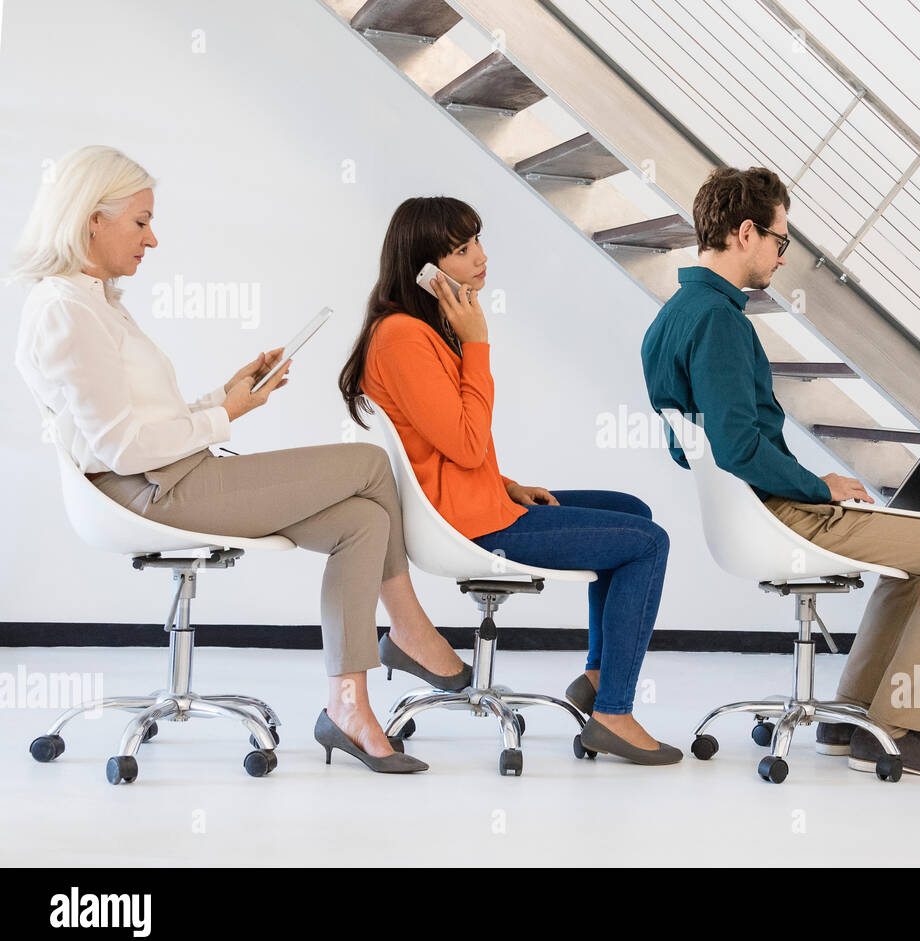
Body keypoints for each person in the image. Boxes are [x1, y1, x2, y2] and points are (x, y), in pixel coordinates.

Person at [12, 145, 472, 774]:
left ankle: (348, 705)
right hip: (153, 492)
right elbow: (121, 448)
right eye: (141, 221)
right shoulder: (67, 308)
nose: (153, 239)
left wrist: (224, 399)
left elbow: (138, 424)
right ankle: (411, 630)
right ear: (93, 218)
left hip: (168, 477)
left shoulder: (95, 301)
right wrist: (225, 415)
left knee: (363, 522)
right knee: (368, 462)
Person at [641, 166, 920, 778]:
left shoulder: (674, 315)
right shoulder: (720, 321)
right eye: (781, 242)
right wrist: (819, 487)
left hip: (756, 514)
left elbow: (693, 448)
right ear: (745, 233)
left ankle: (848, 718)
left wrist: (804, 486)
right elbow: (735, 450)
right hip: (778, 515)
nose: (783, 258)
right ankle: (902, 730)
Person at [339, 196, 679, 766]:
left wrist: (507, 482)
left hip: (480, 501)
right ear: (425, 267)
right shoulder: (402, 337)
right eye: (462, 249)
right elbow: (467, 441)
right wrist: (477, 341)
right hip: (469, 525)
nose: (481, 257)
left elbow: (445, 446)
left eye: (477, 241)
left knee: (632, 509)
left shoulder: (418, 330)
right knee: (649, 545)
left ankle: (598, 676)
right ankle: (614, 713)